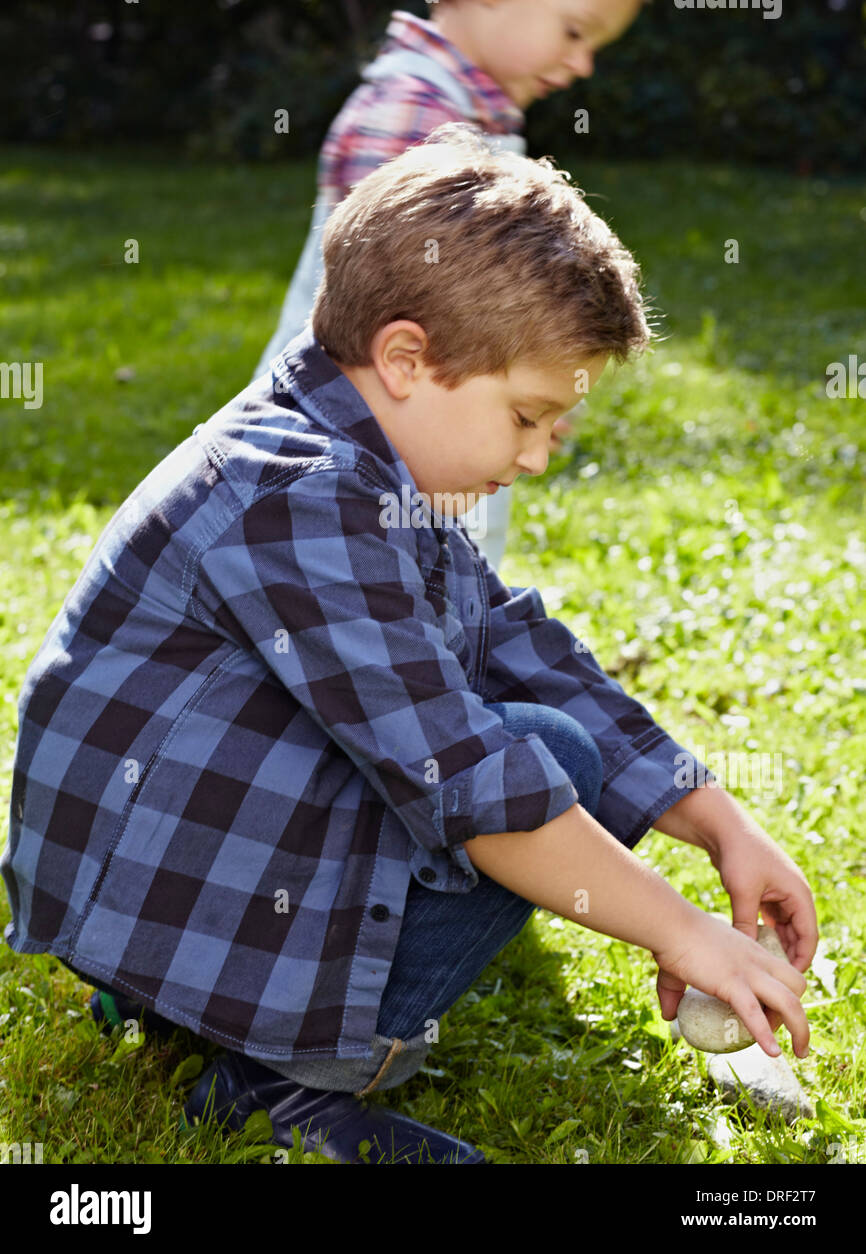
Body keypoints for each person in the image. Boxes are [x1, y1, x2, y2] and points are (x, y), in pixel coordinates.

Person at [1, 128, 815, 1167]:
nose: (531, 458)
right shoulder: (296, 494)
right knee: (532, 762)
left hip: (162, 881)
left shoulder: (363, 462)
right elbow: (467, 779)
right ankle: (275, 1084)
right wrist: (678, 929)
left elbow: (513, 641)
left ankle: (203, 1016)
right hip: (151, 898)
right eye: (526, 417)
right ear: (403, 359)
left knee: (545, 736)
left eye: (553, 433)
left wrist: (715, 817)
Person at [251, 0, 662, 569]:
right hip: (363, 444)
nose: (584, 63)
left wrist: (526, 398)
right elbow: (394, 304)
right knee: (365, 585)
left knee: (436, 584)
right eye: (573, 30)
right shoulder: (414, 112)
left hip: (438, 422)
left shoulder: (472, 114)